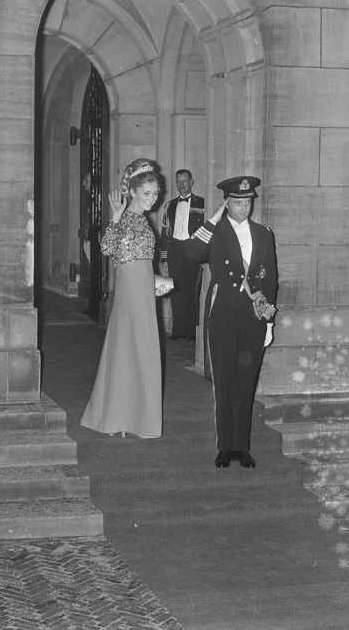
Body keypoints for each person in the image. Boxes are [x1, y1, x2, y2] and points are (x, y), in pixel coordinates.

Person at [184, 176, 277, 469]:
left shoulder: (264, 233)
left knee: (246, 382)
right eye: (237, 203)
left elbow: (271, 279)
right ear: (227, 203)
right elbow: (190, 253)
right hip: (223, 312)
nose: (243, 208)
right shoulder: (215, 232)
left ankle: (242, 446)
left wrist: (269, 322)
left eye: (247, 202)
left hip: (253, 316)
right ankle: (225, 446)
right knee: (224, 381)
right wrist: (213, 220)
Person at [80, 158, 163, 439]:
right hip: (130, 290)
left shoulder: (142, 219)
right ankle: (122, 418)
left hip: (143, 286)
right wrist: (115, 217)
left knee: (142, 352)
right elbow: (105, 249)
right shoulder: (126, 217)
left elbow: (142, 259)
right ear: (133, 192)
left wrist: (157, 280)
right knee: (129, 349)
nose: (152, 199)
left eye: (155, 193)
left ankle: (136, 418)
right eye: (146, 194)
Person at [160, 169, 205, 341]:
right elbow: (164, 233)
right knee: (176, 290)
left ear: (191, 182)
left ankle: (192, 331)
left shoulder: (201, 203)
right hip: (175, 251)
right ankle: (178, 330)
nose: (181, 185)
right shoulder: (169, 205)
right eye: (178, 182)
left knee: (192, 290)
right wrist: (164, 257)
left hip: (193, 249)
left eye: (184, 181)